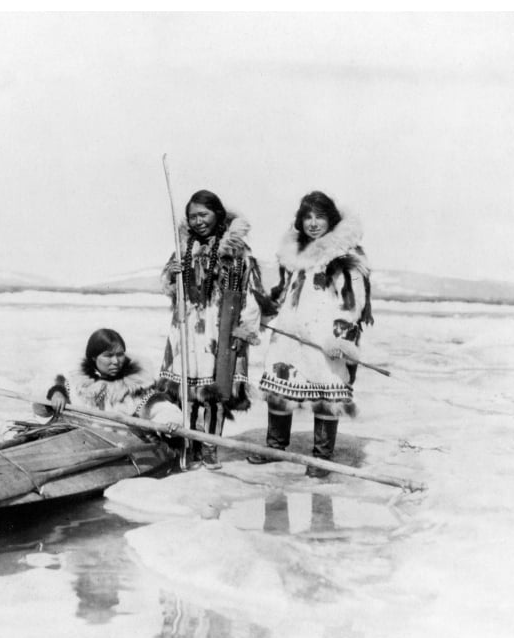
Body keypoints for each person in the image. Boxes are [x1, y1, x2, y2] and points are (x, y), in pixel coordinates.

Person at [251, 191, 373, 476]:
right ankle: (275, 447)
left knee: (326, 389)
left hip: (323, 337)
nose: (313, 223)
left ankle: (321, 458)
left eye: (320, 217)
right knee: (280, 386)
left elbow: (354, 301)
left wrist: (341, 337)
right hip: (290, 333)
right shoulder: (296, 255)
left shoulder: (344, 255)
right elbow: (286, 291)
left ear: (332, 219)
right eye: (307, 217)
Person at [158, 190, 264, 469]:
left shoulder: (236, 252)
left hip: (218, 329)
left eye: (203, 214)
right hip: (187, 328)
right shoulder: (183, 248)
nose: (198, 221)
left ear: (217, 214)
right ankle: (189, 445)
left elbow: (251, 294)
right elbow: (169, 287)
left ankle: (209, 447)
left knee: (214, 390)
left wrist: (243, 328)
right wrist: (172, 275)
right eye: (193, 216)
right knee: (187, 390)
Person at [46, 328, 182, 427]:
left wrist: (170, 421)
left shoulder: (137, 387)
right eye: (108, 356)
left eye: (120, 354)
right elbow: (41, 410)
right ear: (93, 357)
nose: (116, 361)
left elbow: (161, 409)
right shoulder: (76, 384)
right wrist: (57, 394)